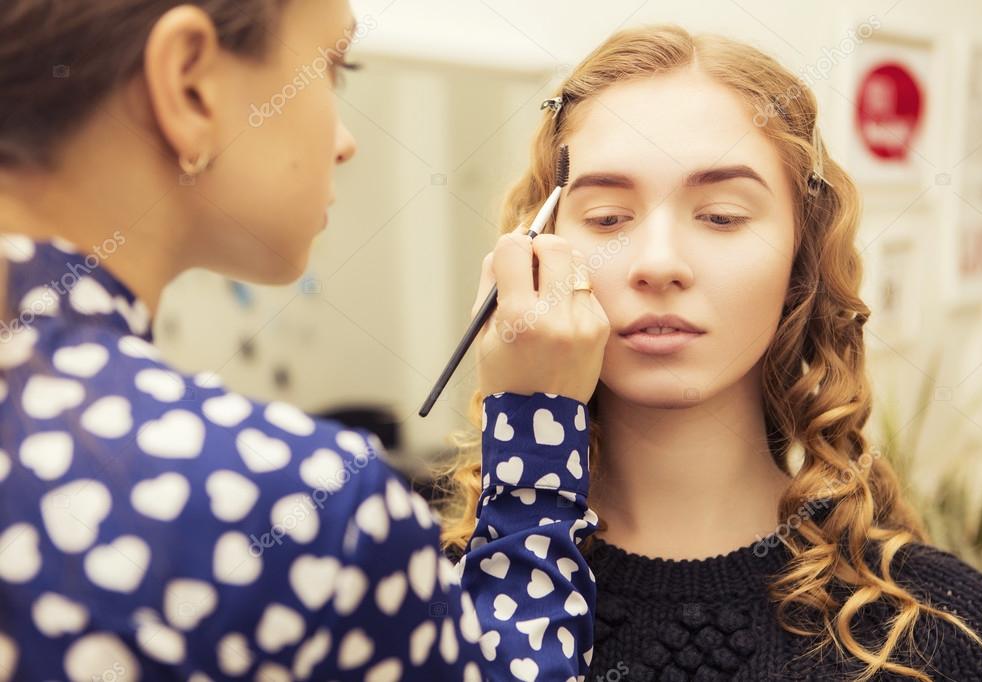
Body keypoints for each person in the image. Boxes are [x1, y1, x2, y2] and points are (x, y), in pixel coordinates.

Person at [0, 1, 610, 679]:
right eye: (332, 68)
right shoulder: (303, 505)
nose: (346, 142)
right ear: (189, 83)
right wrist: (535, 442)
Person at [439, 24, 982, 681]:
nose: (659, 263)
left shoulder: (948, 633)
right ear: (537, 252)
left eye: (720, 215)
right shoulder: (425, 602)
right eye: (607, 218)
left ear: (801, 258)